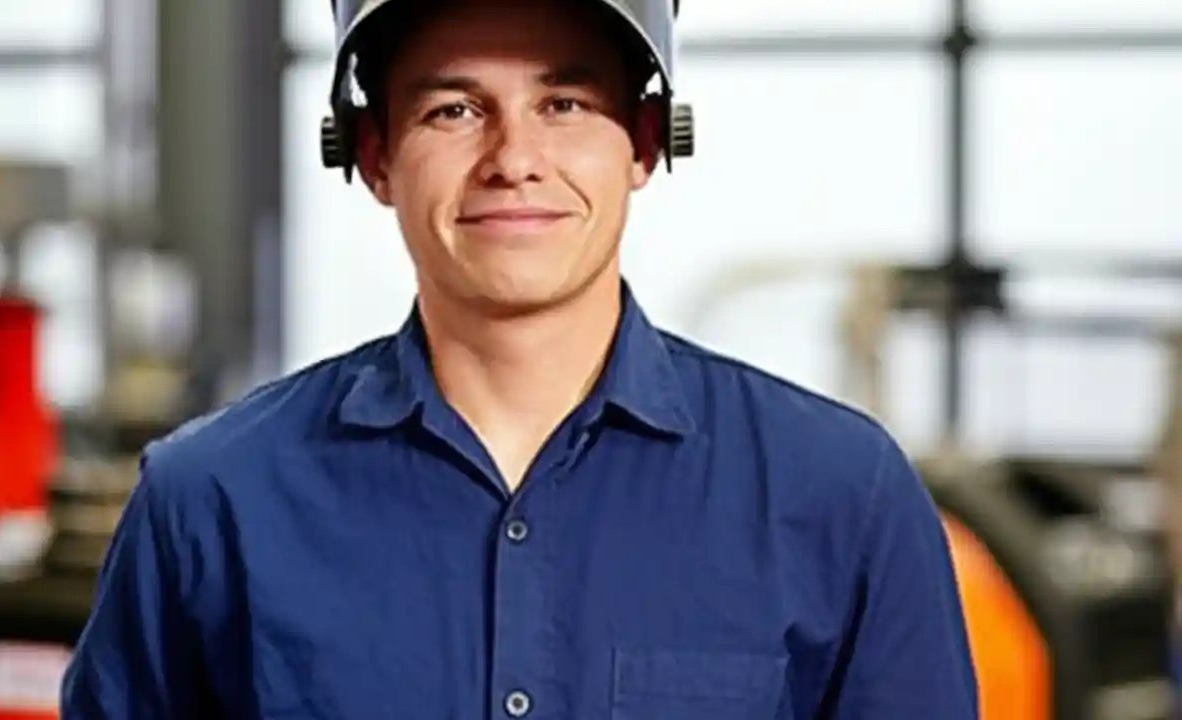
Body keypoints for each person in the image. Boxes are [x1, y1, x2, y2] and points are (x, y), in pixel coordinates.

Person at [60, 0, 979, 717]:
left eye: (565, 104)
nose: (515, 158)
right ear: (371, 154)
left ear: (649, 142)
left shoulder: (839, 495)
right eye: (455, 109)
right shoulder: (212, 501)